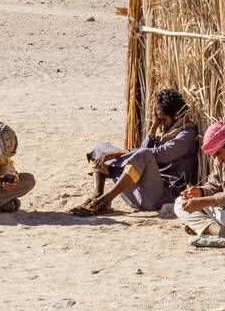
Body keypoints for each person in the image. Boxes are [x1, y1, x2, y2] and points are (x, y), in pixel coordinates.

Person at [70, 88, 197, 216]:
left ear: (176, 115)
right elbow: (142, 151)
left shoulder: (187, 134)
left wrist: (120, 153)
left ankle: (103, 201)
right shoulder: (166, 132)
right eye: (159, 120)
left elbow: (157, 154)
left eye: (163, 119)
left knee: (144, 155)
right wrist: (153, 129)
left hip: (159, 196)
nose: (162, 124)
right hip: (140, 190)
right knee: (100, 149)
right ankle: (98, 195)